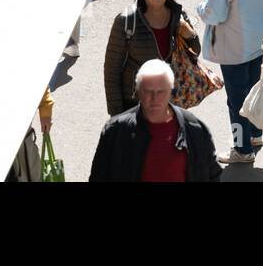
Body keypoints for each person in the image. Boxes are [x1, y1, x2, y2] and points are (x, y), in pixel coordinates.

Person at [197, 0, 263, 165]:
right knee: (252, 92)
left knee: (236, 101)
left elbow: (214, 14)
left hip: (233, 49)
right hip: (255, 43)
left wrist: (200, 8)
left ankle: (242, 148)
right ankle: (255, 135)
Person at [89, 59, 222, 182]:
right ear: (138, 92)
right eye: (148, 92)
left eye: (161, 92)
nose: (154, 99)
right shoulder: (115, 131)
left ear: (170, 91)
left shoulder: (195, 130)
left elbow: (212, 176)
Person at [103, 0, 200, 116]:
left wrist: (188, 33)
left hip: (171, 104)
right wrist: (116, 116)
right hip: (135, 105)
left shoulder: (178, 15)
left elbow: (194, 53)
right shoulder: (126, 21)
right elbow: (111, 71)